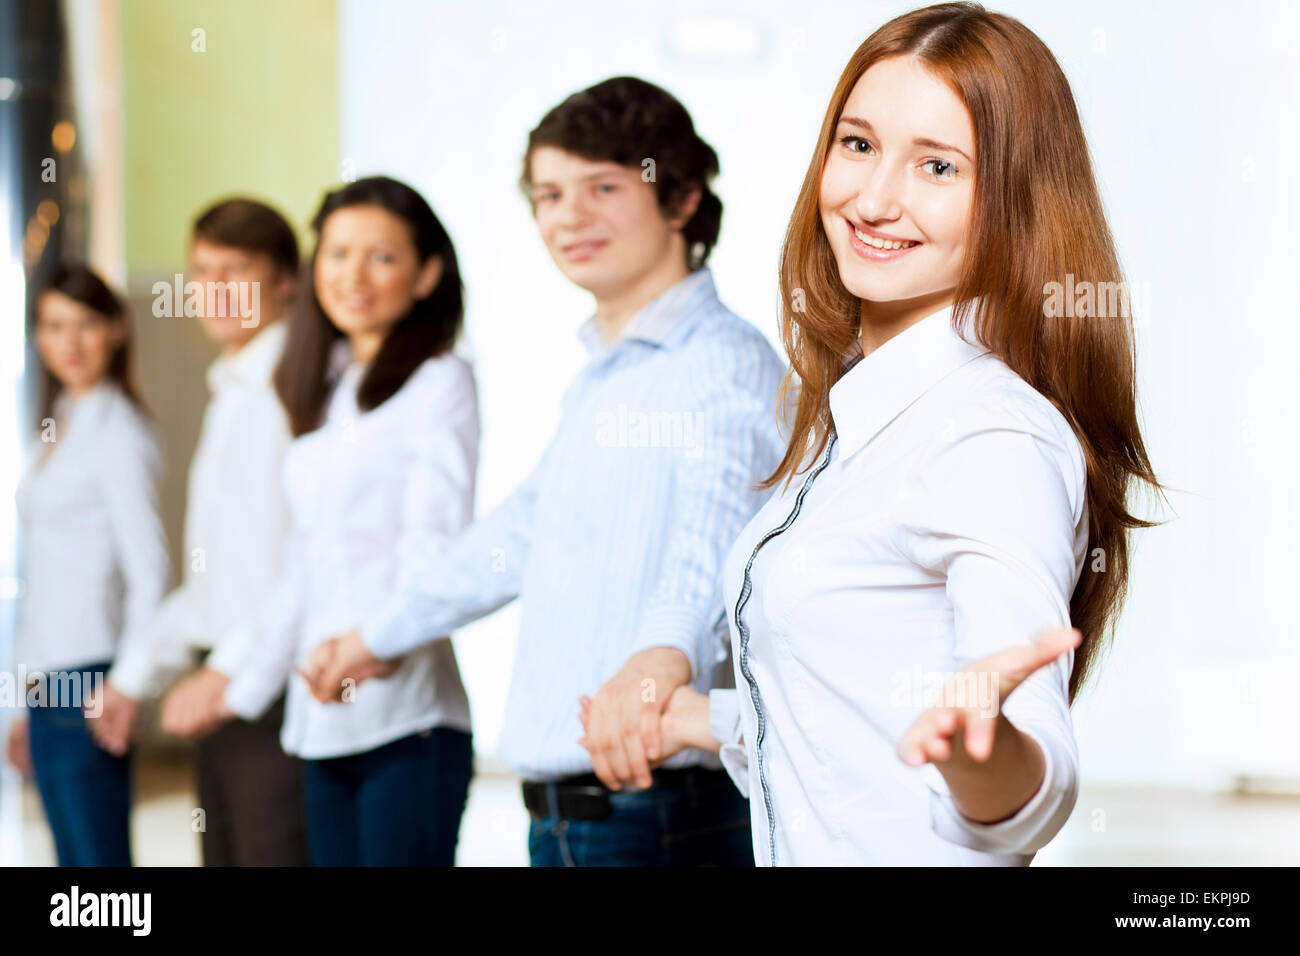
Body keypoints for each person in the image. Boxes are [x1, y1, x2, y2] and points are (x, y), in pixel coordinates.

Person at [591, 2, 1161, 865]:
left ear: (1013, 199)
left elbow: (1026, 748)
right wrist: (699, 718)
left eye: (938, 165)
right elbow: (851, 695)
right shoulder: (857, 414)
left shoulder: (989, 436)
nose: (874, 197)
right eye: (858, 145)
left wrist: (987, 755)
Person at [301, 77, 787, 866]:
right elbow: (516, 536)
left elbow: (712, 537)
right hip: (584, 818)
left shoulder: (718, 364)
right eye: (549, 193)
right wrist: (375, 636)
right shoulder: (606, 376)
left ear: (684, 198)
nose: (568, 216)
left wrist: (663, 653)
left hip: (653, 815)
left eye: (603, 186)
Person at [209, 177, 478, 866]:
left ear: (426, 275)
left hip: (407, 722)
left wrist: (373, 643)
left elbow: (434, 546)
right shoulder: (325, 392)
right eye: (336, 254)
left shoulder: (438, 381)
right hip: (321, 722)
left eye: (381, 258)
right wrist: (241, 692)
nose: (353, 276)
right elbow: (304, 565)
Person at [96, 198, 310, 866]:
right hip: (216, 682)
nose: (212, 290)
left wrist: (223, 672)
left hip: (269, 687)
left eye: (234, 271)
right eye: (202, 271)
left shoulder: (293, 391)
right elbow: (214, 576)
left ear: (285, 283)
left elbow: (304, 564)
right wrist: (135, 675)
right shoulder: (233, 391)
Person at [7, 264, 171, 865]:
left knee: (101, 874)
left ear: (117, 331)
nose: (69, 343)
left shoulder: (120, 434)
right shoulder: (57, 427)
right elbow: (44, 576)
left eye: (85, 325)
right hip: (50, 682)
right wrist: (25, 702)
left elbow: (151, 572)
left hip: (91, 679)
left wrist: (125, 683)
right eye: (53, 326)